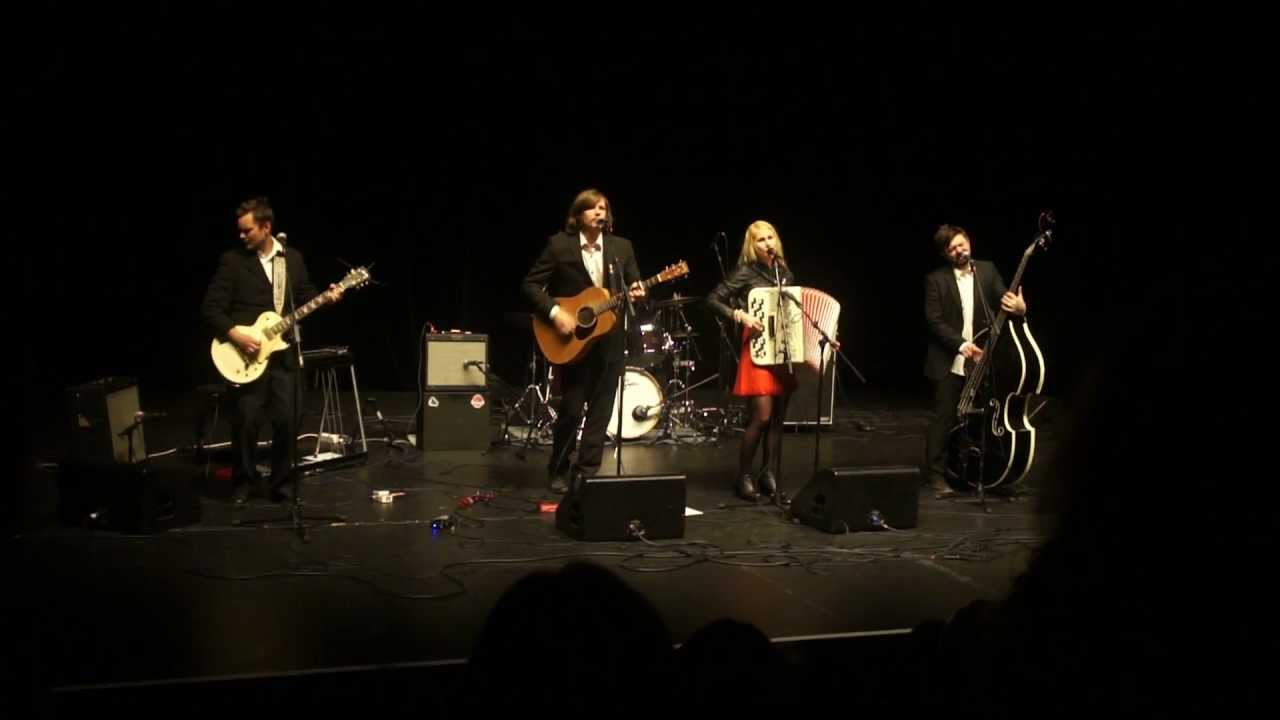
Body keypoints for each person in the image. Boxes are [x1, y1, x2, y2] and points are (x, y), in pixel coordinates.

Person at [200, 197, 343, 504]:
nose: (241, 236)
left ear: (266, 228)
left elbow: (305, 297)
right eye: (240, 231)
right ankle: (243, 483)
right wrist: (237, 336)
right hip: (245, 355)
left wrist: (327, 298)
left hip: (283, 356)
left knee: (288, 420)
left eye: (247, 230)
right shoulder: (233, 262)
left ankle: (282, 484)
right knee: (247, 422)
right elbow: (211, 309)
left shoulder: (291, 259)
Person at [520, 189, 645, 494]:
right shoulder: (559, 246)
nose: (599, 213)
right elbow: (530, 285)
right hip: (573, 343)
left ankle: (586, 471)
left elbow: (633, 283)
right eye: (592, 209)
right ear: (578, 216)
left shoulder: (621, 248)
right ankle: (558, 468)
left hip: (610, 340)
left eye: (604, 208)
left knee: (601, 411)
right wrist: (554, 312)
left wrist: (639, 289)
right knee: (572, 409)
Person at [922, 224, 1025, 497]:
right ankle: (935, 476)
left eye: (961, 244)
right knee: (944, 418)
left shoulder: (987, 271)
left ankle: (989, 471)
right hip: (950, 360)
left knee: (983, 418)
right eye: (953, 248)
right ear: (946, 254)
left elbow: (1006, 303)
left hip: (983, 361)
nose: (959, 250)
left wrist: (1020, 308)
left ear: (968, 241)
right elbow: (934, 321)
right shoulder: (936, 280)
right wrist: (962, 345)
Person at [706, 220, 798, 501]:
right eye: (760, 240)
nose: (768, 243)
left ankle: (767, 473)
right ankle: (743, 475)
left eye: (771, 237)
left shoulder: (784, 272)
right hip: (757, 349)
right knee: (762, 417)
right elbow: (713, 299)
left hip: (781, 351)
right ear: (751, 245)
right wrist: (739, 315)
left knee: (778, 419)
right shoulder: (745, 272)